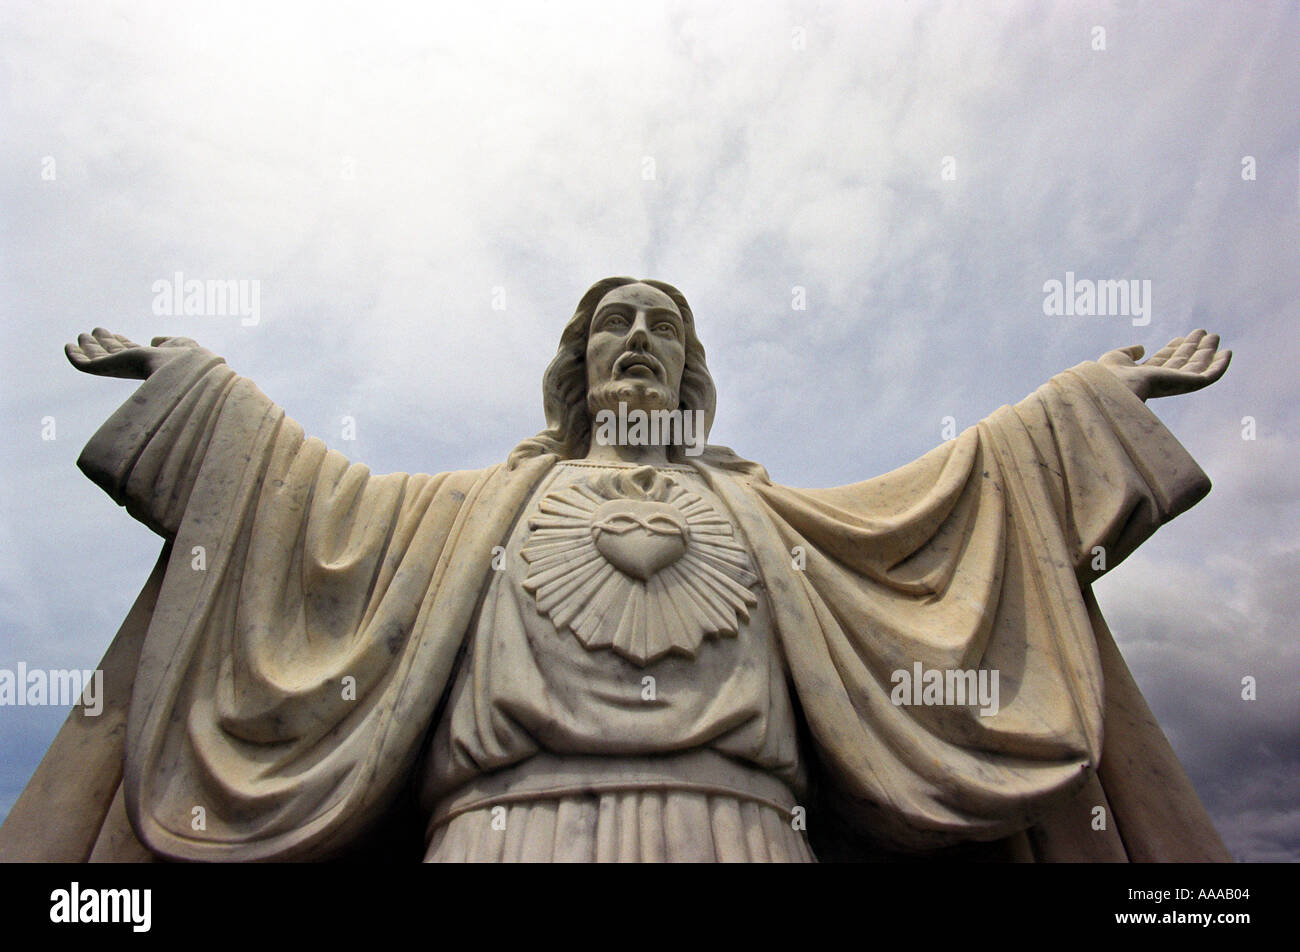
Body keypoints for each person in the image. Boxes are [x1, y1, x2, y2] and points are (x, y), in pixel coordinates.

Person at [0, 277, 1232, 862]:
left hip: (740, 834)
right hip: (499, 839)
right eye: (612, 324)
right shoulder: (472, 508)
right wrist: (206, 404)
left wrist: (1077, 414)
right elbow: (309, 515)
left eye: (662, 327)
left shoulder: (766, 513)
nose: (635, 340)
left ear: (688, 374)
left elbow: (945, 514)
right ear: (578, 366)